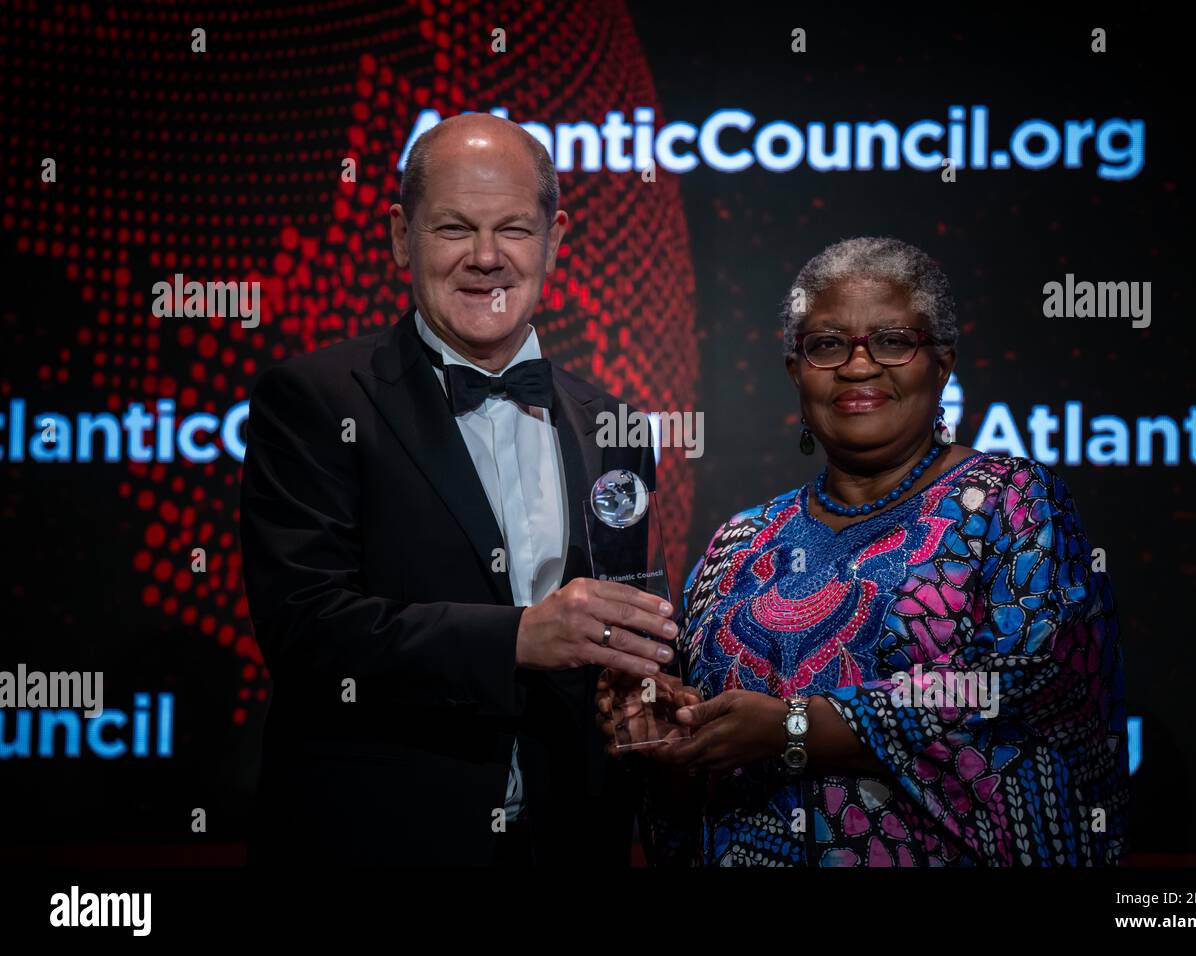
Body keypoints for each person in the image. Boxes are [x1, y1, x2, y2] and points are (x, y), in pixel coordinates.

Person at [598, 236, 1129, 866]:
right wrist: (667, 723)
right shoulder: (738, 544)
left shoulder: (1010, 502)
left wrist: (794, 727)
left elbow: (1017, 688)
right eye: (827, 345)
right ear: (796, 369)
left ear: (942, 362)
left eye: (892, 340)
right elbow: (698, 742)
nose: (858, 366)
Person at [240, 113, 678, 866]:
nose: (485, 258)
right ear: (398, 236)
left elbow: (624, 625)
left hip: (568, 840)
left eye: (512, 228)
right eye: (453, 229)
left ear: (555, 239)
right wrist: (518, 638)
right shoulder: (314, 400)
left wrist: (643, 689)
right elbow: (307, 632)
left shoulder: (617, 426)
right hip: (378, 843)